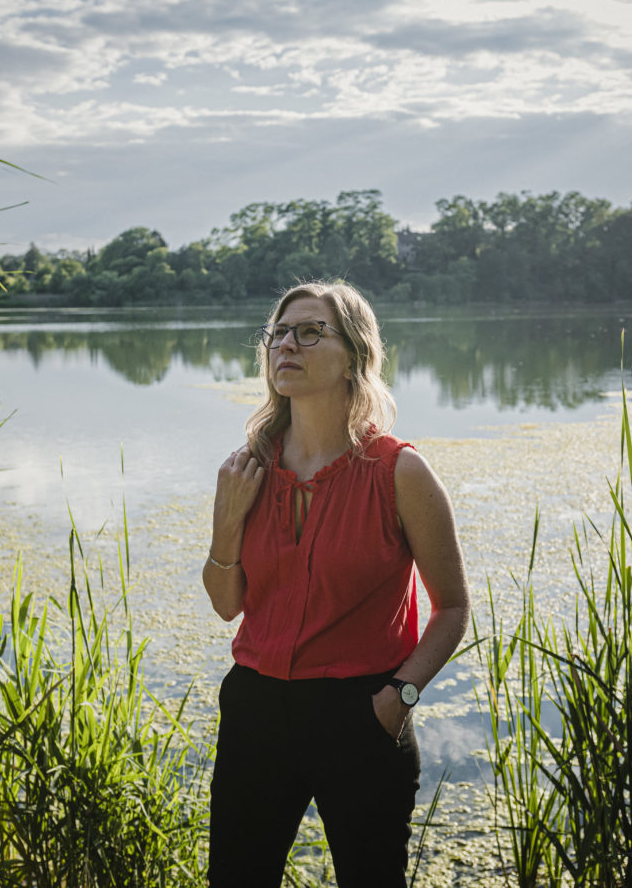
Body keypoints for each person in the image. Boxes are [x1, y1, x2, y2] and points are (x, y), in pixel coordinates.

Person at [203, 280, 470, 888]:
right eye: (279, 333)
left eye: (310, 331)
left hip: (361, 715)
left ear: (354, 356)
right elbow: (226, 606)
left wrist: (398, 697)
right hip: (255, 711)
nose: (287, 344)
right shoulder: (246, 468)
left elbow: (452, 607)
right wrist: (227, 522)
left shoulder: (400, 470)